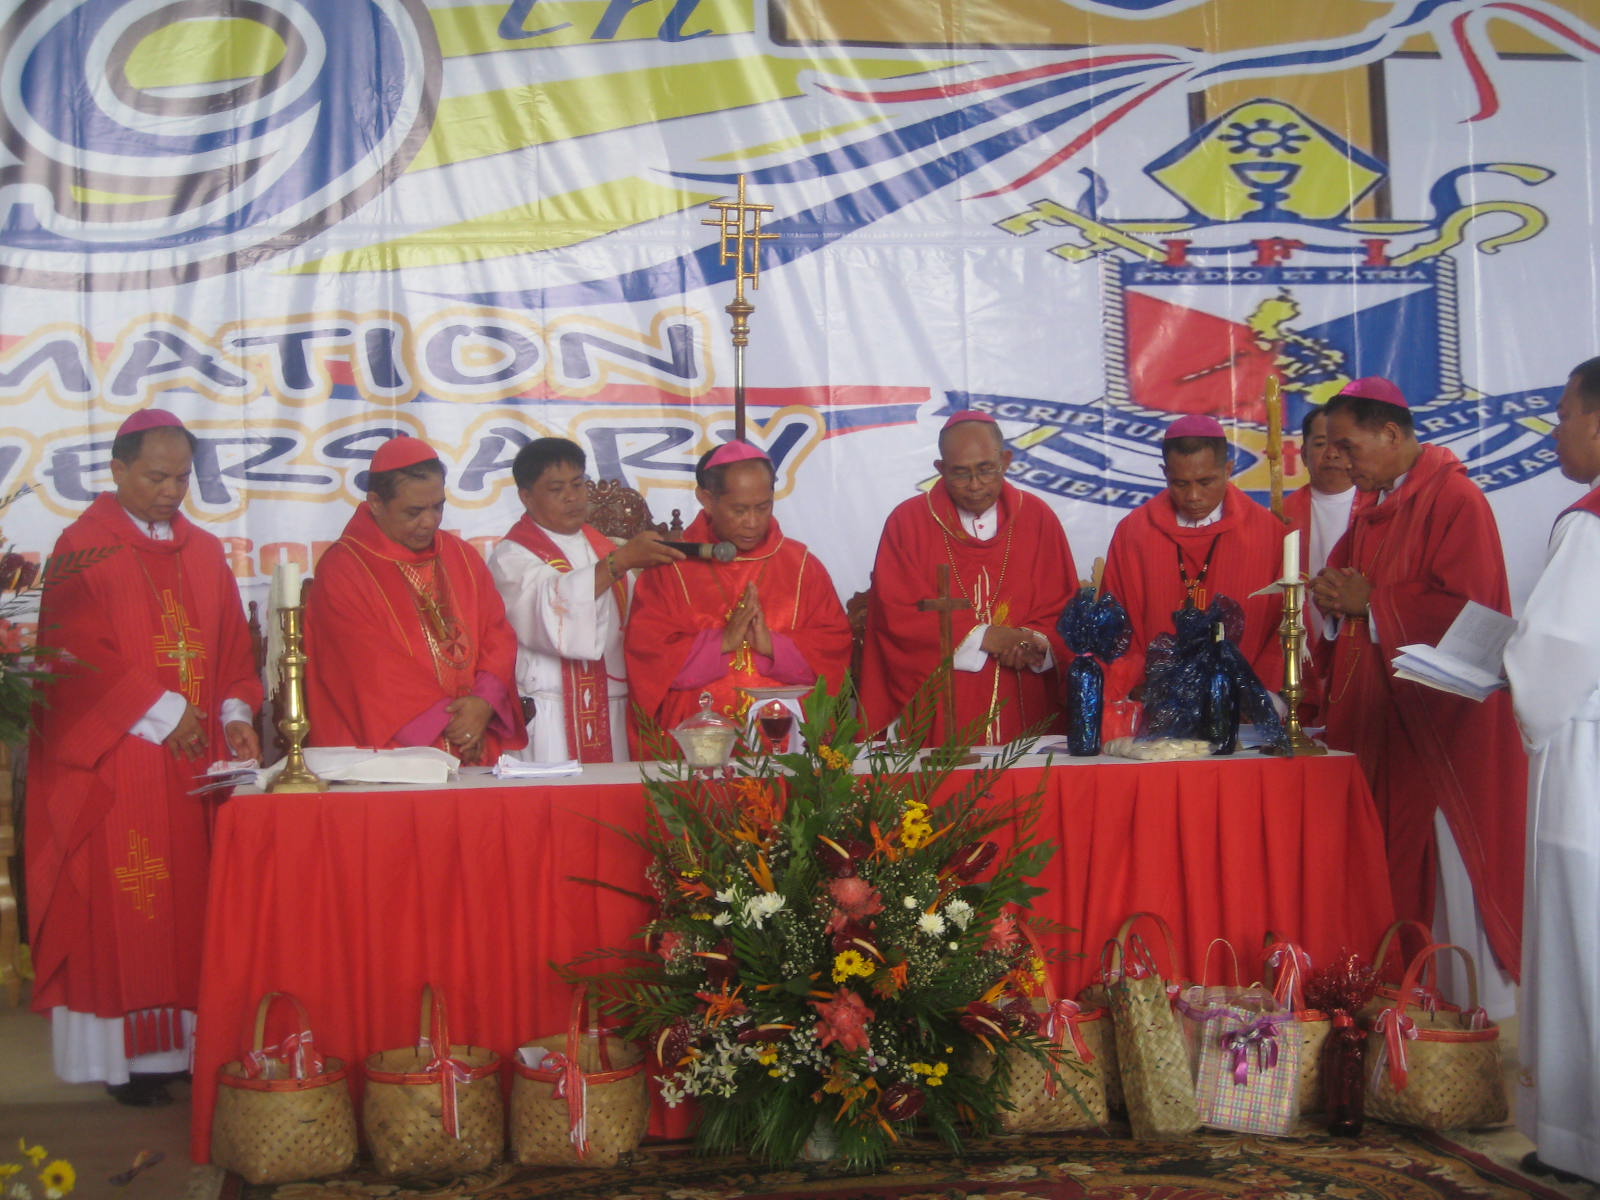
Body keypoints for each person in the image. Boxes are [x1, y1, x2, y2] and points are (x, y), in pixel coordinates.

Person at [26, 410, 262, 1106]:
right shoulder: (82, 548)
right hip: (121, 762)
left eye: (182, 477)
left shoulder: (205, 550)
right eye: (156, 476)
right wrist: (166, 712)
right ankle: (126, 1065)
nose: (170, 491)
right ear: (119, 471)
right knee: (133, 900)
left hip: (198, 765)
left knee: (196, 906)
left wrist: (234, 715)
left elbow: (229, 653)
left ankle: (195, 1047)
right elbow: (73, 661)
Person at [1311, 376, 1525, 984]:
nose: (1338, 460)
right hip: (1376, 725)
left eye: (1349, 447)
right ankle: (1387, 998)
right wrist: (1331, 599)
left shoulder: (1456, 501)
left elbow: (1476, 615)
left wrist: (1371, 603)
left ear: (1391, 433)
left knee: (1435, 888)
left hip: (1433, 731)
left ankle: (1449, 1009)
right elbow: (1346, 590)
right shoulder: (1374, 507)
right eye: (1331, 448)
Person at [1503, 356, 1600, 1188]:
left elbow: (1555, 657)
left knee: (1583, 942)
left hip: (1588, 763)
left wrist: (1512, 679)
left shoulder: (1592, 524)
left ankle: (1577, 1141)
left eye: (1565, 412)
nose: (1557, 427)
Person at [858, 412, 1076, 745]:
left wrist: (1032, 643)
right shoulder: (908, 523)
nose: (975, 485)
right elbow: (896, 616)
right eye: (960, 473)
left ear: (1005, 460)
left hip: (1026, 699)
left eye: (986, 469)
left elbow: (1063, 608)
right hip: (940, 704)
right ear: (940, 469)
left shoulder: (1037, 518)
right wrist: (987, 637)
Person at [305, 435, 524, 763]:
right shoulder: (344, 568)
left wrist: (483, 704)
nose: (429, 522)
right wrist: (455, 727)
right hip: (390, 750)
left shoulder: (460, 555)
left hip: (474, 733)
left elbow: (497, 633)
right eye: (414, 511)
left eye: (438, 507)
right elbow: (369, 669)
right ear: (376, 503)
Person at [624, 441, 851, 746]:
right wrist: (723, 642)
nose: (753, 522)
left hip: (784, 737)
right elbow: (648, 656)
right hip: (698, 740)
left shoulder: (802, 566)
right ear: (706, 498)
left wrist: (774, 647)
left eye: (763, 507)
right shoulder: (671, 567)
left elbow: (833, 649)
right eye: (739, 510)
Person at [489, 438, 683, 762]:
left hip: (615, 709)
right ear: (526, 496)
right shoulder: (511, 557)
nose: (572, 497)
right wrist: (620, 563)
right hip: (552, 716)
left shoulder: (603, 546)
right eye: (556, 489)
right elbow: (549, 603)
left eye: (578, 484)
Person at [1099, 414, 1286, 704]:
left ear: (1228, 469)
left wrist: (1259, 693)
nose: (1194, 496)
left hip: (1239, 704)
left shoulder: (1268, 533)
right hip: (1155, 703)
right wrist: (1134, 685)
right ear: (1164, 472)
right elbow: (1115, 622)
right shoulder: (1134, 532)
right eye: (1180, 484)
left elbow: (1284, 625)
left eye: (1206, 481)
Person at [1284, 406, 1373, 717]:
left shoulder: (1379, 511)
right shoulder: (1279, 517)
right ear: (1304, 453)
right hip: (1298, 656)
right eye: (1321, 443)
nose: (1332, 454)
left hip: (1360, 654)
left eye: (1341, 445)